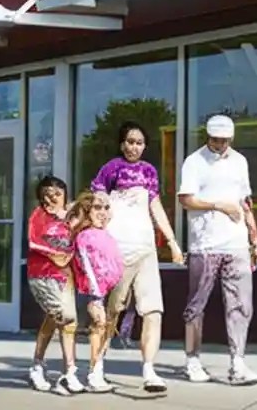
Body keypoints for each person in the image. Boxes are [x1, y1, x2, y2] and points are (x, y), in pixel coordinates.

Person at [89, 120, 184, 392]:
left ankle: (149, 370)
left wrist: (173, 242)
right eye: (130, 142)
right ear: (122, 144)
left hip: (146, 250)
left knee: (153, 310)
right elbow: (96, 206)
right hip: (118, 250)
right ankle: (97, 367)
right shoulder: (111, 169)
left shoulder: (149, 172)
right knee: (112, 310)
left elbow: (156, 207)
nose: (134, 147)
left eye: (139, 142)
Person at [177, 115, 257, 386]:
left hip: (236, 244)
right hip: (205, 244)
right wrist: (218, 206)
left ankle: (237, 363)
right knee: (197, 304)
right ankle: (192, 359)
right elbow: (186, 199)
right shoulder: (194, 161)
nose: (220, 144)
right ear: (208, 137)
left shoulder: (240, 161)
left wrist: (255, 241)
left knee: (240, 304)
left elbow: (245, 202)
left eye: (225, 140)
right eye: (216, 140)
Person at [26, 176, 84, 395]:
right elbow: (37, 243)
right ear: (41, 196)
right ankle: (45, 368)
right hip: (43, 276)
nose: (53, 198)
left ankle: (65, 372)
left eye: (58, 193)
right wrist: (62, 256)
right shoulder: (38, 216)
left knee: (62, 321)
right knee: (65, 315)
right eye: (48, 193)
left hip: (65, 277)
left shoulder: (70, 218)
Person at [67, 190, 125, 393]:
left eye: (106, 208)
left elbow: (113, 263)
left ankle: (97, 368)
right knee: (98, 325)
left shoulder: (106, 235)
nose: (103, 213)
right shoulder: (85, 237)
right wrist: (95, 294)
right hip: (92, 291)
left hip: (106, 288)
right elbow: (87, 266)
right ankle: (93, 372)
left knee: (103, 327)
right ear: (87, 211)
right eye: (97, 208)